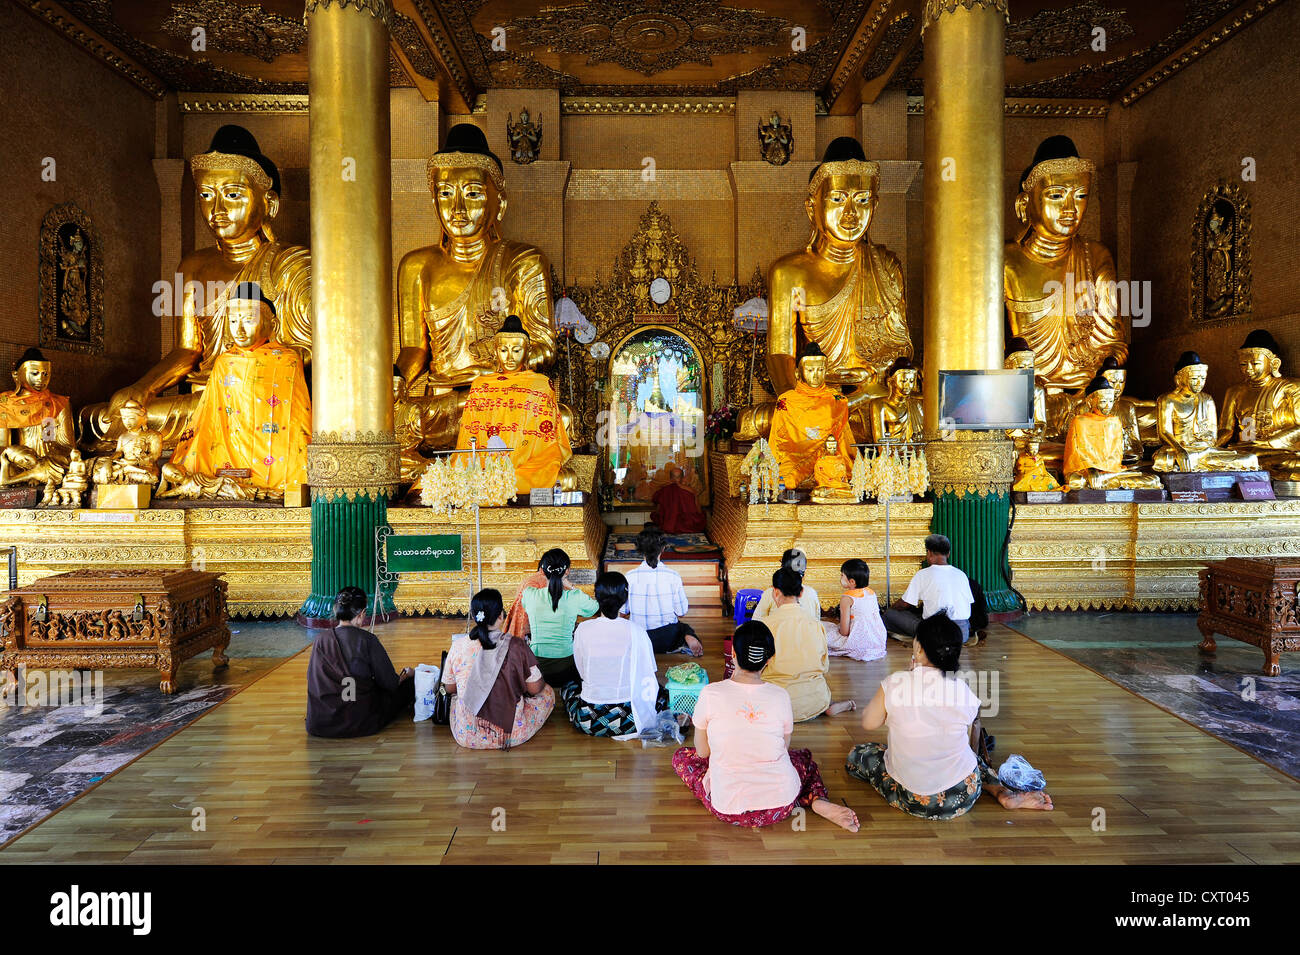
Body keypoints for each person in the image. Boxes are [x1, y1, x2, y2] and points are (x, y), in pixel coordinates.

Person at [846, 613, 1053, 818]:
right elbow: (969, 727)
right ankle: (1003, 793)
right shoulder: (962, 689)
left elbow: (869, 722)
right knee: (973, 759)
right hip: (962, 794)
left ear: (918, 649)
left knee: (859, 754)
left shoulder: (895, 683)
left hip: (911, 798)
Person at [672, 621, 859, 831]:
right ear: (769, 660)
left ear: (733, 653)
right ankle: (817, 801)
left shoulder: (710, 693)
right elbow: (784, 747)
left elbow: (703, 752)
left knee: (682, 757)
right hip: (781, 805)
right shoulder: (780, 696)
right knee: (803, 759)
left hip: (728, 808)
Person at [441, 588, 554, 750]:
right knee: (547, 692)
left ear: (474, 617)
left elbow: (450, 688)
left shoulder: (458, 646)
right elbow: (535, 689)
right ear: (501, 615)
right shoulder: (517, 646)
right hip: (510, 735)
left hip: (466, 736)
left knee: (456, 698)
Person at [563, 572, 669, 737]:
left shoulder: (583, 629)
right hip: (631, 719)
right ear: (625, 598)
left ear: (596, 597)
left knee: (569, 687)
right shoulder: (637, 631)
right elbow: (648, 674)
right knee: (662, 692)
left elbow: (582, 671)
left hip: (590, 720)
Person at [306, 586, 414, 738]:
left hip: (321, 723)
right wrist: (407, 675)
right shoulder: (367, 640)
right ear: (362, 614)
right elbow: (390, 683)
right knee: (409, 684)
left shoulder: (320, 640)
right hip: (360, 721)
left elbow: (313, 681)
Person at [763, 568, 856, 722]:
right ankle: (828, 706)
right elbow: (824, 666)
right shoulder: (816, 624)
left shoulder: (766, 625)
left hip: (774, 704)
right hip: (815, 701)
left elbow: (756, 666)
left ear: (775, 592)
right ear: (801, 593)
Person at [521, 548, 599, 687]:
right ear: (567, 571)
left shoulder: (529, 594)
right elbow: (593, 609)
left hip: (538, 666)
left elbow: (527, 605)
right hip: (566, 665)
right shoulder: (574, 597)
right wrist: (572, 587)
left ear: (542, 571)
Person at [622, 527, 704, 657]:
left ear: (639, 550)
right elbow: (681, 612)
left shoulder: (629, 577)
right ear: (663, 548)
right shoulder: (673, 576)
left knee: (628, 626)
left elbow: (623, 611)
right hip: (667, 638)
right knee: (684, 627)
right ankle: (686, 638)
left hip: (639, 638)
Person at [882, 534, 974, 644]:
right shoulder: (961, 574)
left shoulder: (923, 574)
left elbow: (905, 604)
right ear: (948, 553)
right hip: (961, 634)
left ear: (929, 553)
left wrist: (890, 609)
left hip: (934, 634)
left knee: (890, 615)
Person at [823, 558, 887, 662]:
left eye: (842, 575)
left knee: (823, 629)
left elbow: (844, 632)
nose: (840, 578)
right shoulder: (871, 592)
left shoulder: (847, 598)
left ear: (852, 581)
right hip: (877, 640)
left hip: (856, 642)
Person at [752, 548, 820, 622]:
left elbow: (756, 621)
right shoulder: (812, 593)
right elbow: (816, 619)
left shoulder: (771, 593)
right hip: (807, 632)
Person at [650, 465, 707, 533]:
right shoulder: (690, 491)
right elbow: (698, 511)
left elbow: (658, 511)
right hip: (687, 526)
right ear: (682, 478)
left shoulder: (663, 490)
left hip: (667, 525)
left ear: (670, 478)